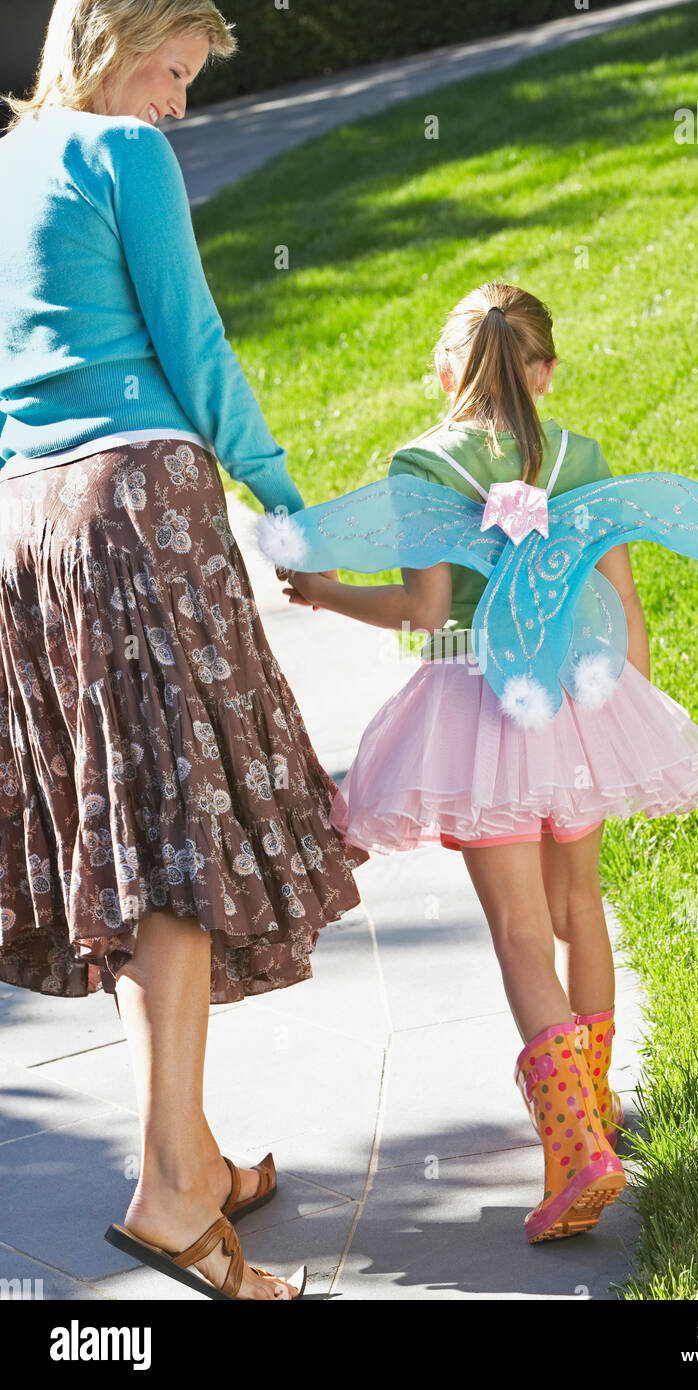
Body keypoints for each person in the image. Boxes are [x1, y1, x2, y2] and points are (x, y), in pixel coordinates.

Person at [0, 0, 365, 1299]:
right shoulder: (119, 152)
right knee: (173, 845)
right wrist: (285, 506)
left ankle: (194, 1148)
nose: (178, 105)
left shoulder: (7, 164)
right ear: (116, 43)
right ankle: (168, 1194)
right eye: (171, 71)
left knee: (122, 828)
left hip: (25, 526)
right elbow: (191, 345)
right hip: (133, 510)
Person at [279, 281, 698, 1242]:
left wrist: (321, 595)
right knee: (578, 909)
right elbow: (624, 604)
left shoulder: (424, 462)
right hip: (579, 701)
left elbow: (418, 612)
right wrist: (625, 713)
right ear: (546, 369)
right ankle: (596, 1109)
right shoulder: (583, 458)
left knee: (523, 934)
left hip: (472, 706)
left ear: (448, 370)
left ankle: (576, 1154)